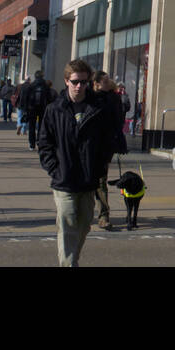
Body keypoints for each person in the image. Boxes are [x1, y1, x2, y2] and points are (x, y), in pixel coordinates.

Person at [38, 59, 122, 266]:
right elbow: (45, 142)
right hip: (63, 178)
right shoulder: (54, 109)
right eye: (75, 81)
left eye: (84, 82)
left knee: (84, 224)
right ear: (66, 81)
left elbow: (107, 140)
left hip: (88, 178)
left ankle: (72, 259)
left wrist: (100, 166)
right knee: (67, 224)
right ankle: (69, 264)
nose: (79, 86)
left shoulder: (98, 108)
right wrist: (54, 168)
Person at [91, 72, 127, 231]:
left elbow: (118, 121)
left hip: (105, 145)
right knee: (86, 180)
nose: (109, 82)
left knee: (100, 180)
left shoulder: (113, 98)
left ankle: (103, 215)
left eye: (108, 80)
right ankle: (85, 212)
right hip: (88, 145)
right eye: (105, 81)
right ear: (96, 83)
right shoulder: (90, 97)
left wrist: (119, 141)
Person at [21, 71, 53, 150]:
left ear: (35, 77)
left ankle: (32, 144)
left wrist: (25, 109)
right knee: (41, 127)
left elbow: (25, 99)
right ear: (42, 76)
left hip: (32, 109)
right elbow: (49, 99)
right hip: (43, 108)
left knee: (32, 126)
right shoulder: (46, 86)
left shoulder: (31, 86)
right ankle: (39, 142)